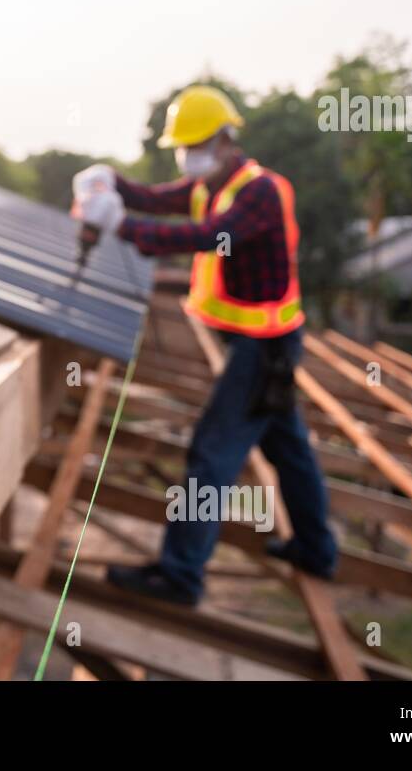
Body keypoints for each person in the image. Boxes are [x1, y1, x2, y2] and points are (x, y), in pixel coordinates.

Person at [73, 85, 337, 605]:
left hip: (264, 348)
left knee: (211, 456)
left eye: (190, 145)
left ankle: (181, 574)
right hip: (264, 346)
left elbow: (210, 236)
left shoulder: (259, 191)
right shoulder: (208, 185)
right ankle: (317, 549)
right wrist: (111, 183)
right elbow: (154, 198)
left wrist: (123, 226)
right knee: (290, 451)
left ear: (222, 141)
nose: (184, 156)